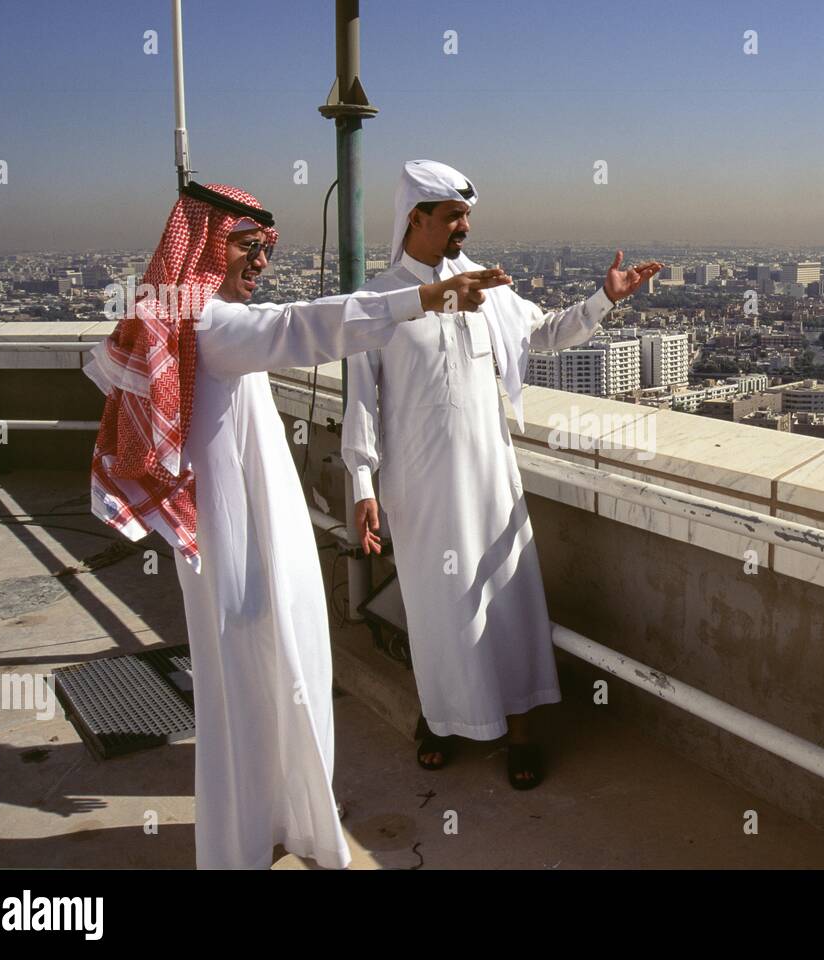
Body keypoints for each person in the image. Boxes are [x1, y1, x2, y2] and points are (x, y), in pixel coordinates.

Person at [84, 181, 508, 868]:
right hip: (233, 542)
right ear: (206, 250)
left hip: (256, 532)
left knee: (282, 674)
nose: (260, 262)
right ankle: (247, 840)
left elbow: (296, 322)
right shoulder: (210, 325)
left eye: (266, 249)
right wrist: (421, 298)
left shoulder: (207, 318)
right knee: (252, 686)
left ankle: (283, 821)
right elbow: (305, 327)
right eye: (247, 248)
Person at [342, 160, 661, 789]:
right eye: (453, 216)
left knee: (506, 602)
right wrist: (362, 485)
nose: (464, 226)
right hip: (421, 490)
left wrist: (606, 298)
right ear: (416, 218)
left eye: (467, 216)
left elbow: (542, 334)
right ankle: (442, 717)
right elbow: (360, 403)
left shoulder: (484, 284)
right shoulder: (378, 303)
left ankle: (518, 728)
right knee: (437, 612)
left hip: (489, 479)